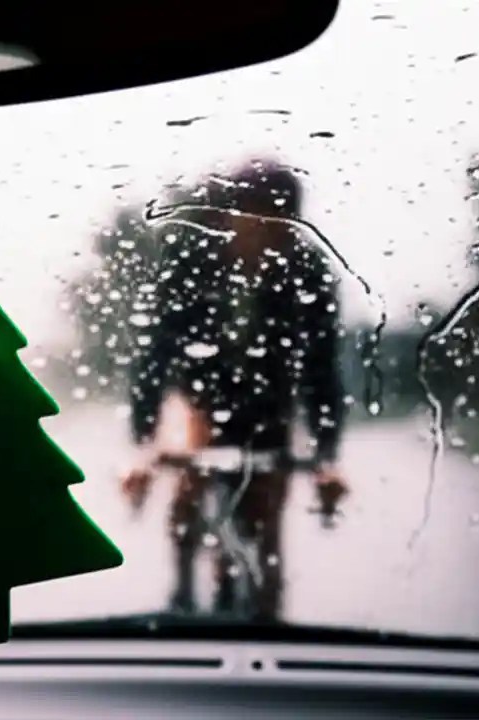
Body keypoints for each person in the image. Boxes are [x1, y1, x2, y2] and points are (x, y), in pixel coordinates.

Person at [121, 158, 348, 619]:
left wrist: (325, 456)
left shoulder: (308, 268)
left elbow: (321, 367)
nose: (268, 231)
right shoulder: (191, 256)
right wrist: (144, 442)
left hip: (271, 401)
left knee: (267, 511)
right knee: (188, 477)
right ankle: (183, 582)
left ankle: (267, 600)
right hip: (201, 395)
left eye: (281, 220)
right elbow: (158, 351)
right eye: (256, 214)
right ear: (229, 214)